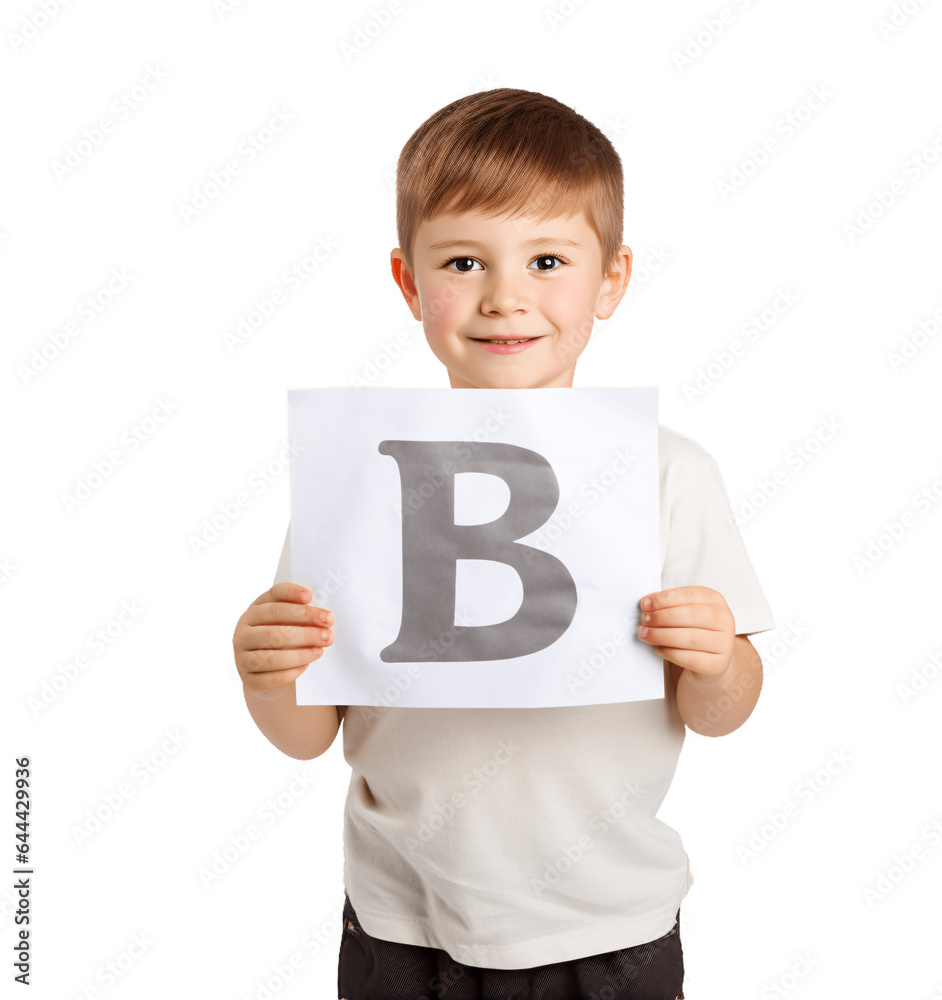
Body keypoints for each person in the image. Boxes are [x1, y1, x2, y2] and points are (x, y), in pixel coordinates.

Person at [232, 88, 776, 1000]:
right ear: (410, 283)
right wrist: (267, 672)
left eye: (548, 258)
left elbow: (725, 712)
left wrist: (717, 659)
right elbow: (305, 735)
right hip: (401, 926)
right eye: (464, 261)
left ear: (612, 279)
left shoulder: (667, 470)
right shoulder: (358, 476)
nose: (506, 297)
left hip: (613, 929)